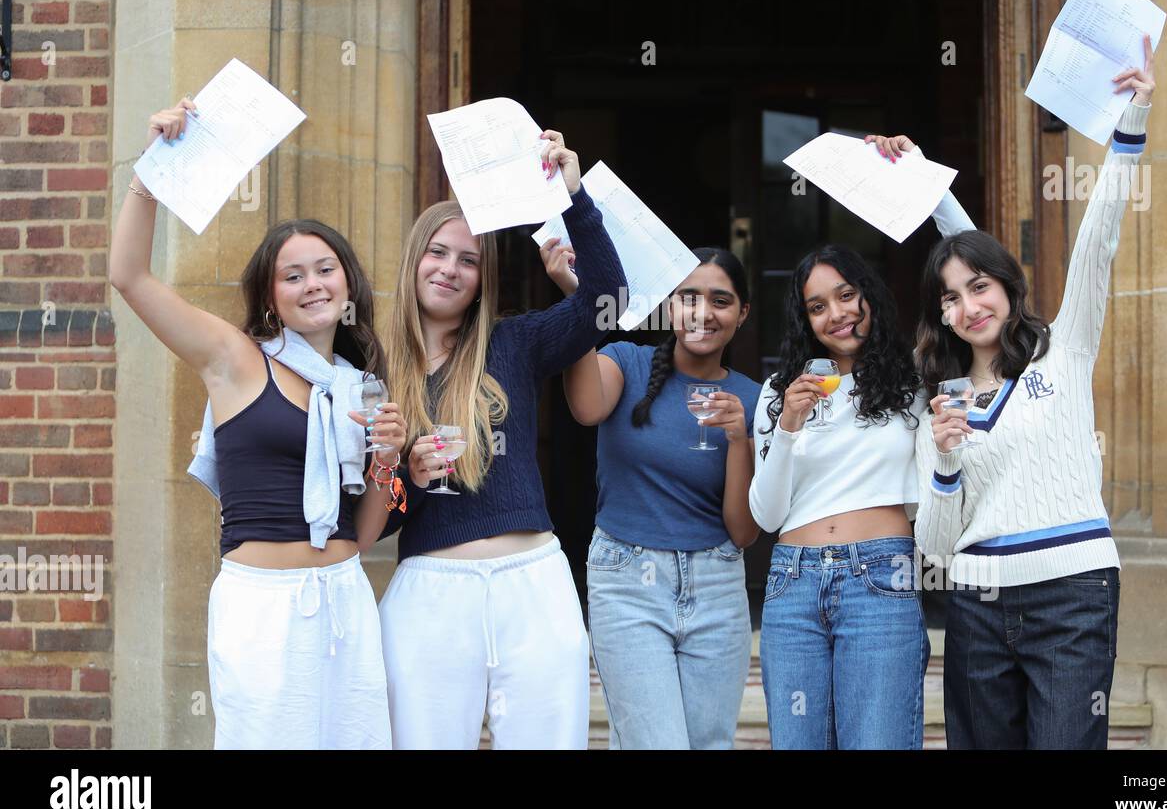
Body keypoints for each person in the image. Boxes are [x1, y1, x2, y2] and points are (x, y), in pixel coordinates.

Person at [109, 99, 407, 749]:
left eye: (325, 270)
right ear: (271, 297)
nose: (312, 285)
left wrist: (387, 461)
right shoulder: (237, 360)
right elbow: (128, 277)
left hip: (345, 596)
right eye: (292, 276)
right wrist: (148, 174)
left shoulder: (360, 386)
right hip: (262, 608)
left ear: (348, 283)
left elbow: (366, 533)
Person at [913, 36, 1156, 749]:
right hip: (976, 606)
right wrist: (945, 459)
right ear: (941, 316)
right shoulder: (944, 403)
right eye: (951, 299)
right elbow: (936, 546)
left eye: (980, 287)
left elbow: (1098, 242)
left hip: (1073, 593)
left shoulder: (1063, 347)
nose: (969, 306)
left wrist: (1133, 121)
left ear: (1007, 288)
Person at [371, 130, 626, 749]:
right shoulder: (373, 372)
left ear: (483, 280)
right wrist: (410, 480)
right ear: (413, 261)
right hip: (429, 590)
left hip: (532, 582)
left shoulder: (512, 342)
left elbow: (607, 301)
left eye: (468, 260)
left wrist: (573, 198)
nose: (450, 269)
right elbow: (372, 522)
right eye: (437, 253)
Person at [750, 134, 974, 749]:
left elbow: (976, 271)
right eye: (817, 306)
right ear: (805, 320)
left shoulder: (915, 377)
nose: (838, 314)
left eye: (847, 295)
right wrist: (788, 426)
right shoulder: (780, 391)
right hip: (791, 584)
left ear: (868, 295)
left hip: (880, 577)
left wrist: (922, 178)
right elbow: (765, 516)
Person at [545, 244, 761, 749]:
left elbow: (743, 532)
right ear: (669, 305)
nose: (703, 312)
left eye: (720, 300)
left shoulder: (754, 398)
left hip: (718, 584)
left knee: (709, 743)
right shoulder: (626, 362)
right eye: (688, 297)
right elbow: (585, 408)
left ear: (743, 313)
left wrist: (738, 438)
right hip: (628, 580)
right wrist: (578, 301)